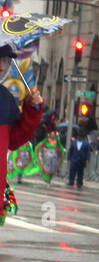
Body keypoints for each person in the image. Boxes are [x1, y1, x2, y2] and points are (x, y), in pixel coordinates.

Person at [0, 79, 45, 227]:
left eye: (4, 61)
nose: (1, 66)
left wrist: (32, 110)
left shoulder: (5, 97)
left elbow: (14, 139)